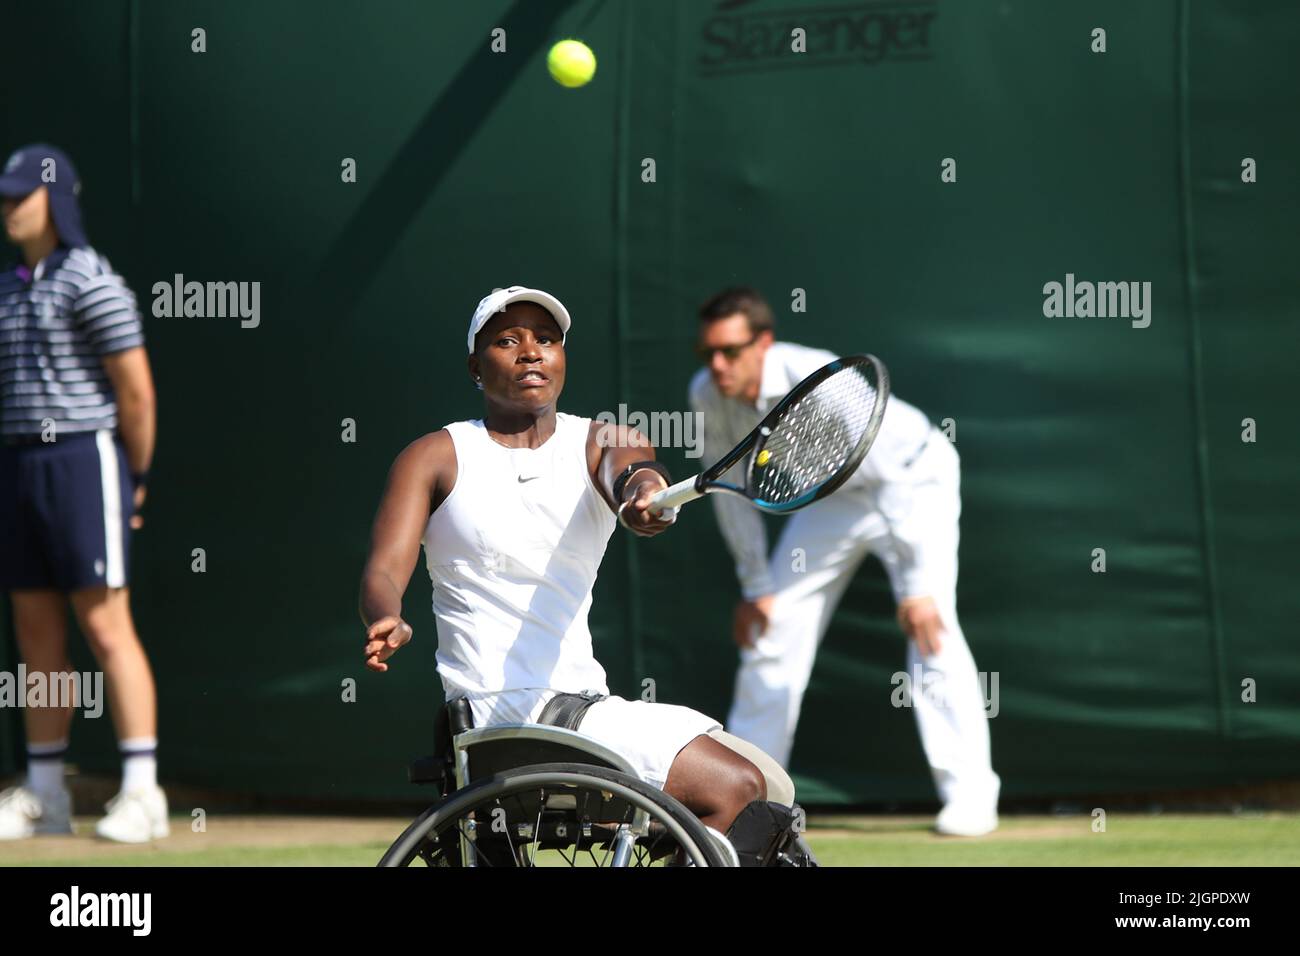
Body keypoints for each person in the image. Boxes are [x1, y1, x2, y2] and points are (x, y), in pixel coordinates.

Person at [358, 285, 803, 860]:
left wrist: (642, 497)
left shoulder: (602, 439)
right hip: (498, 717)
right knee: (736, 788)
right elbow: (384, 568)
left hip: (578, 711)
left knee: (768, 793)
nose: (531, 352)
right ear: (475, 366)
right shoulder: (434, 456)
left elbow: (633, 472)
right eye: (507, 340)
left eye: (546, 339)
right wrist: (386, 615)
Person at [689, 286, 1000, 836]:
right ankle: (744, 797)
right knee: (771, 627)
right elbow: (730, 494)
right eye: (708, 354)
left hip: (911, 479)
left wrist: (919, 586)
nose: (717, 365)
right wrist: (755, 584)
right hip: (836, 501)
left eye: (730, 352)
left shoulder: (825, 383)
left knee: (931, 628)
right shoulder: (706, 395)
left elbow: (892, 482)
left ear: (764, 343)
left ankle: (972, 797)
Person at [0, 144, 166, 842]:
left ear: (56, 201)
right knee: (36, 635)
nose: (9, 207)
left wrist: (133, 478)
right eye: (4, 197)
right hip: (16, 466)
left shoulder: (92, 279)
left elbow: (135, 392)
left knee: (105, 626)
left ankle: (142, 791)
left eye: (20, 195)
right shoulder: (7, 285)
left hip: (82, 461)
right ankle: (45, 794)